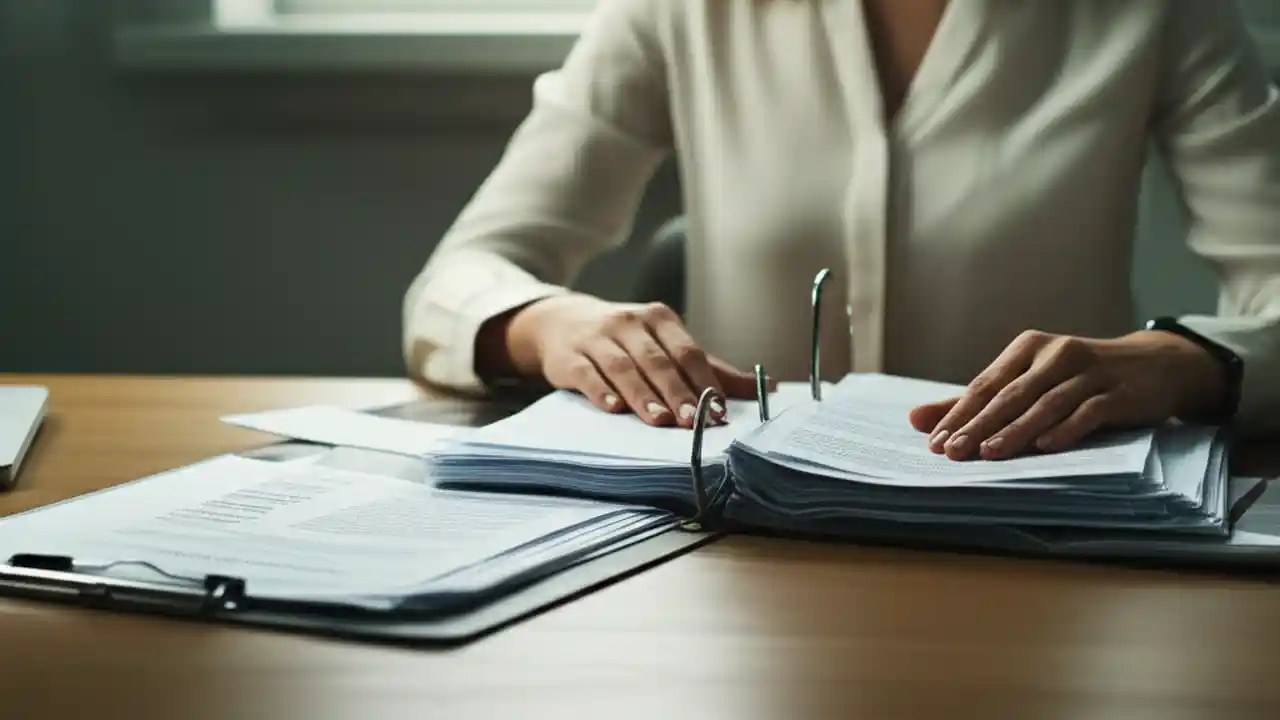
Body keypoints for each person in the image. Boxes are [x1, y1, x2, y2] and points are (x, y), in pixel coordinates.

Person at [404, 0, 1280, 461]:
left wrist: (1181, 361)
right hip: (731, 561)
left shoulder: (1161, 9)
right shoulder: (678, 8)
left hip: (1047, 545)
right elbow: (461, 277)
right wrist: (550, 325)